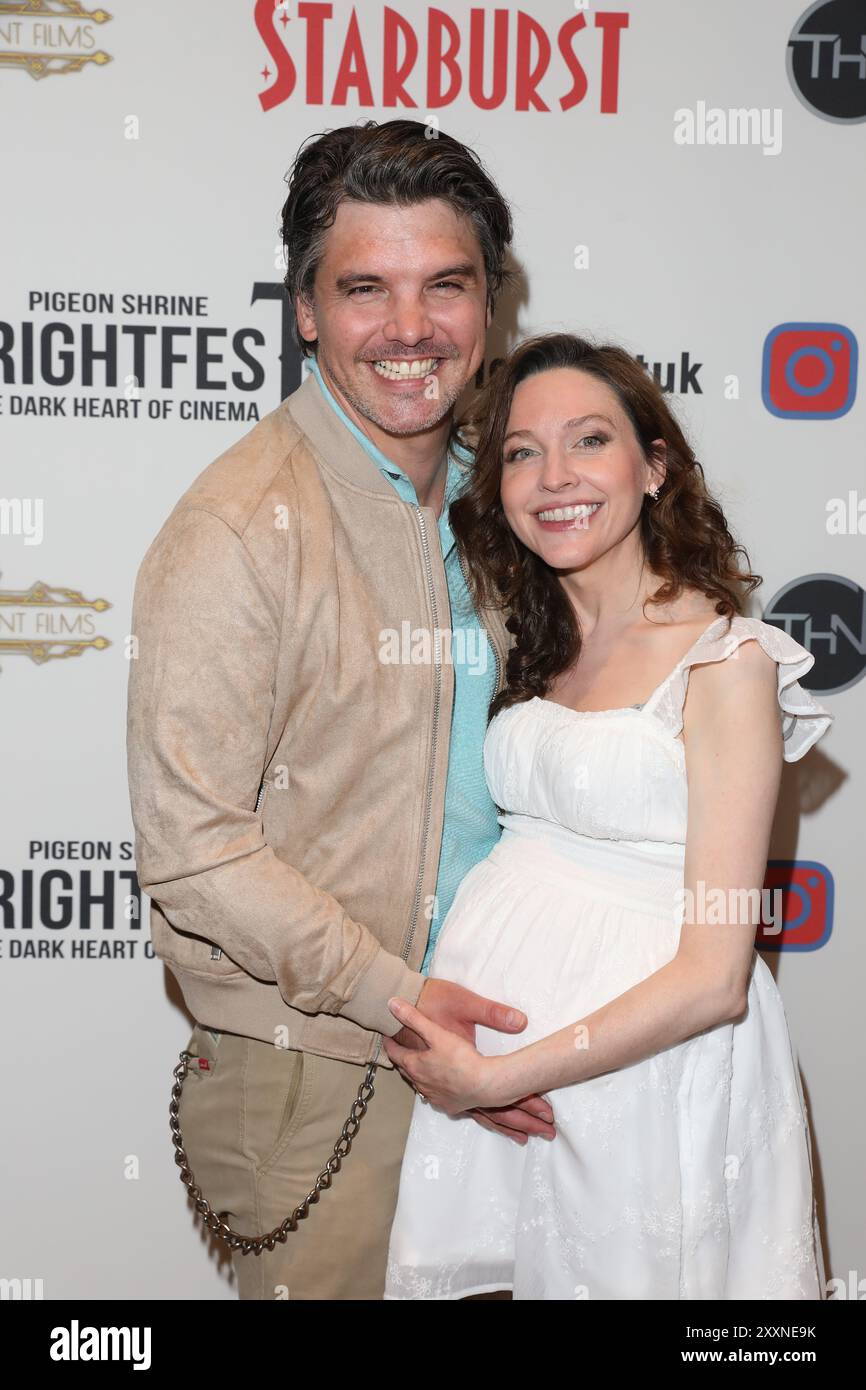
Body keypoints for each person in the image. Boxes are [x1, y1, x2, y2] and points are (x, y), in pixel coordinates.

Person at [125, 119, 558, 1302]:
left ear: (489, 305)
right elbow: (195, 851)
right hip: (323, 1072)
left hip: (515, 1053)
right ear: (305, 311)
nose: (410, 329)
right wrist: (398, 999)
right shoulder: (236, 528)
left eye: (444, 286)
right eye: (364, 287)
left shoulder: (516, 498)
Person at [383, 332, 834, 1300]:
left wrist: (502, 1077)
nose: (553, 477)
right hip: (497, 1080)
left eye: (588, 440)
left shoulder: (725, 663)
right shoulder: (532, 644)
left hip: (633, 1076)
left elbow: (714, 978)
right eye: (519, 451)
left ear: (652, 466)